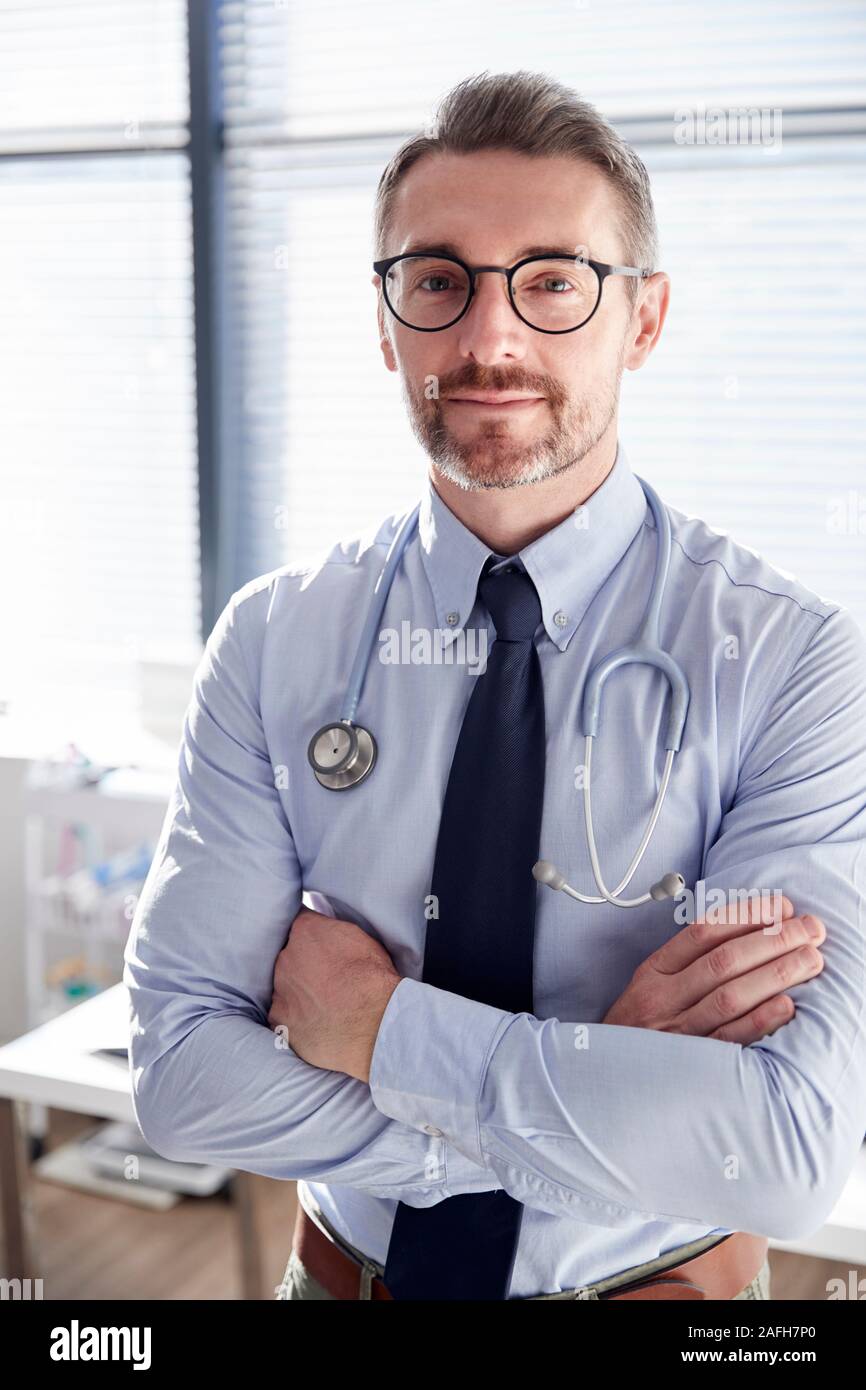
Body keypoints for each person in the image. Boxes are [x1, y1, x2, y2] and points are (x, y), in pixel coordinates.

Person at [124, 71, 866, 1302]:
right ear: (386, 322)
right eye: (438, 281)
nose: (489, 340)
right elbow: (184, 1078)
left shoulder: (788, 660)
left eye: (552, 280)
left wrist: (378, 1033)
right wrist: (593, 1081)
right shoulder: (272, 639)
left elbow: (783, 1148)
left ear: (642, 319)